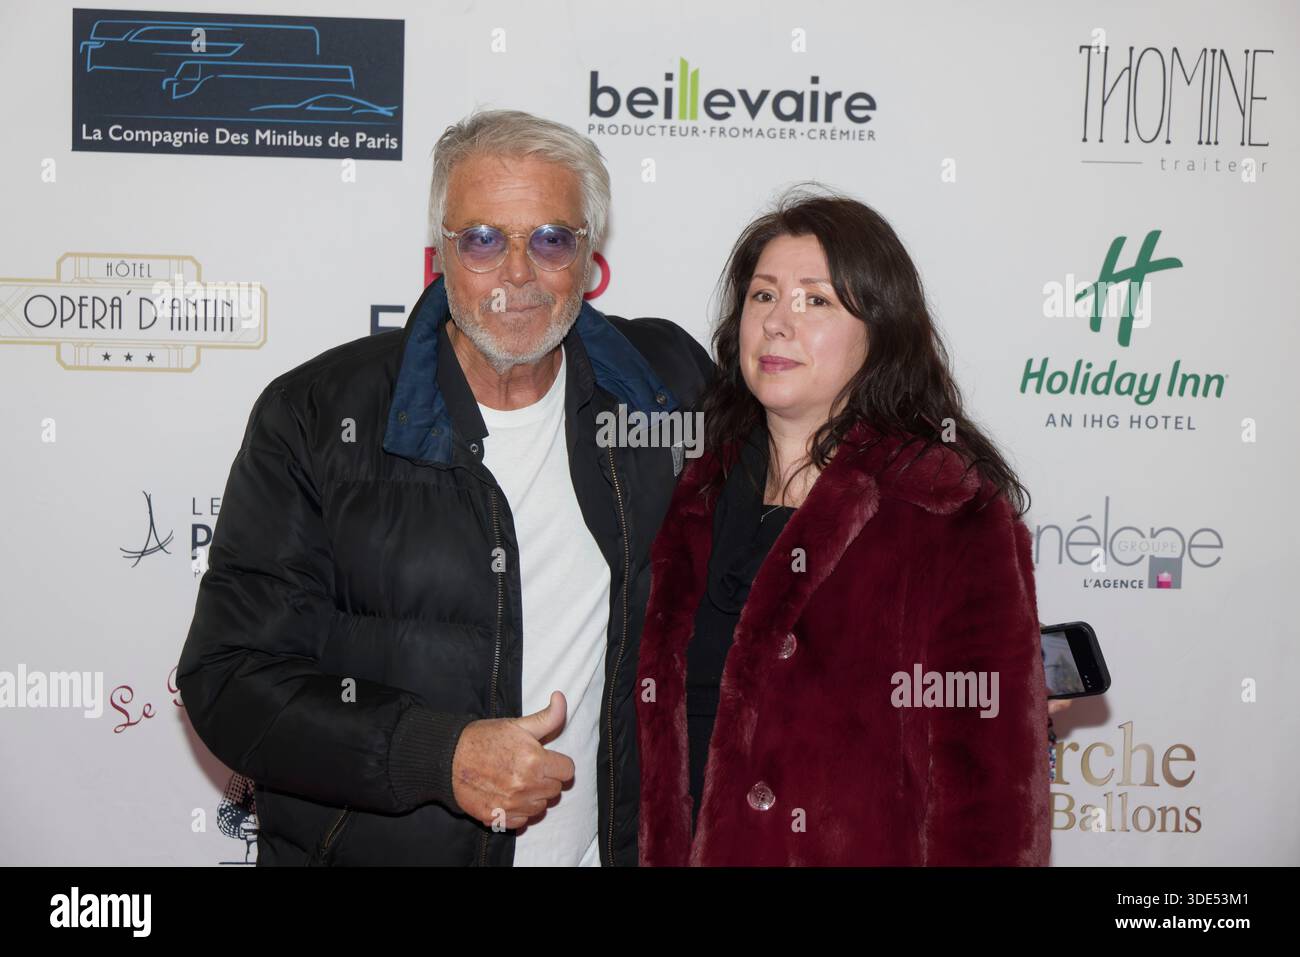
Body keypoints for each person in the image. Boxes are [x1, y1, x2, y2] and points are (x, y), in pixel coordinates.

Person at [178, 109, 711, 865]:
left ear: (589, 257)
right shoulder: (318, 414)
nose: (518, 275)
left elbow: (809, 450)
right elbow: (228, 680)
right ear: (440, 254)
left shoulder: (660, 387)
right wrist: (435, 753)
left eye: (551, 238)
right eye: (484, 240)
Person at [636, 187, 1052, 865]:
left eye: (816, 300)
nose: (776, 323)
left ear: (880, 331)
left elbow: (993, 797)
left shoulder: (945, 510)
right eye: (763, 295)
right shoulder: (693, 495)